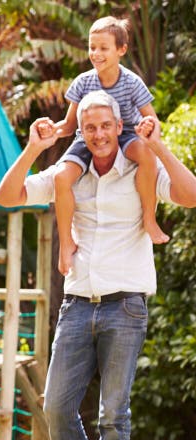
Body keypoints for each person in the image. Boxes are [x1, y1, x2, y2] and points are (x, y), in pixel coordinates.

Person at [0, 91, 196, 440]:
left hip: (126, 306)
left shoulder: (142, 167)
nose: (100, 134)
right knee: (56, 407)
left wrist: (158, 144)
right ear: (81, 133)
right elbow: (7, 196)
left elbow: (190, 194)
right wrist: (35, 147)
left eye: (107, 126)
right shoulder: (70, 172)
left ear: (118, 127)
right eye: (91, 128)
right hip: (77, 304)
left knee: (113, 415)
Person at [39, 16, 165, 276]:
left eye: (103, 48)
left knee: (145, 154)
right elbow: (69, 124)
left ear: (121, 50)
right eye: (92, 47)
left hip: (126, 134)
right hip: (87, 139)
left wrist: (147, 129)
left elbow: (152, 120)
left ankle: (149, 220)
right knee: (62, 177)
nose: (95, 53)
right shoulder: (83, 82)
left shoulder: (131, 82)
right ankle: (66, 243)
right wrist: (54, 130)